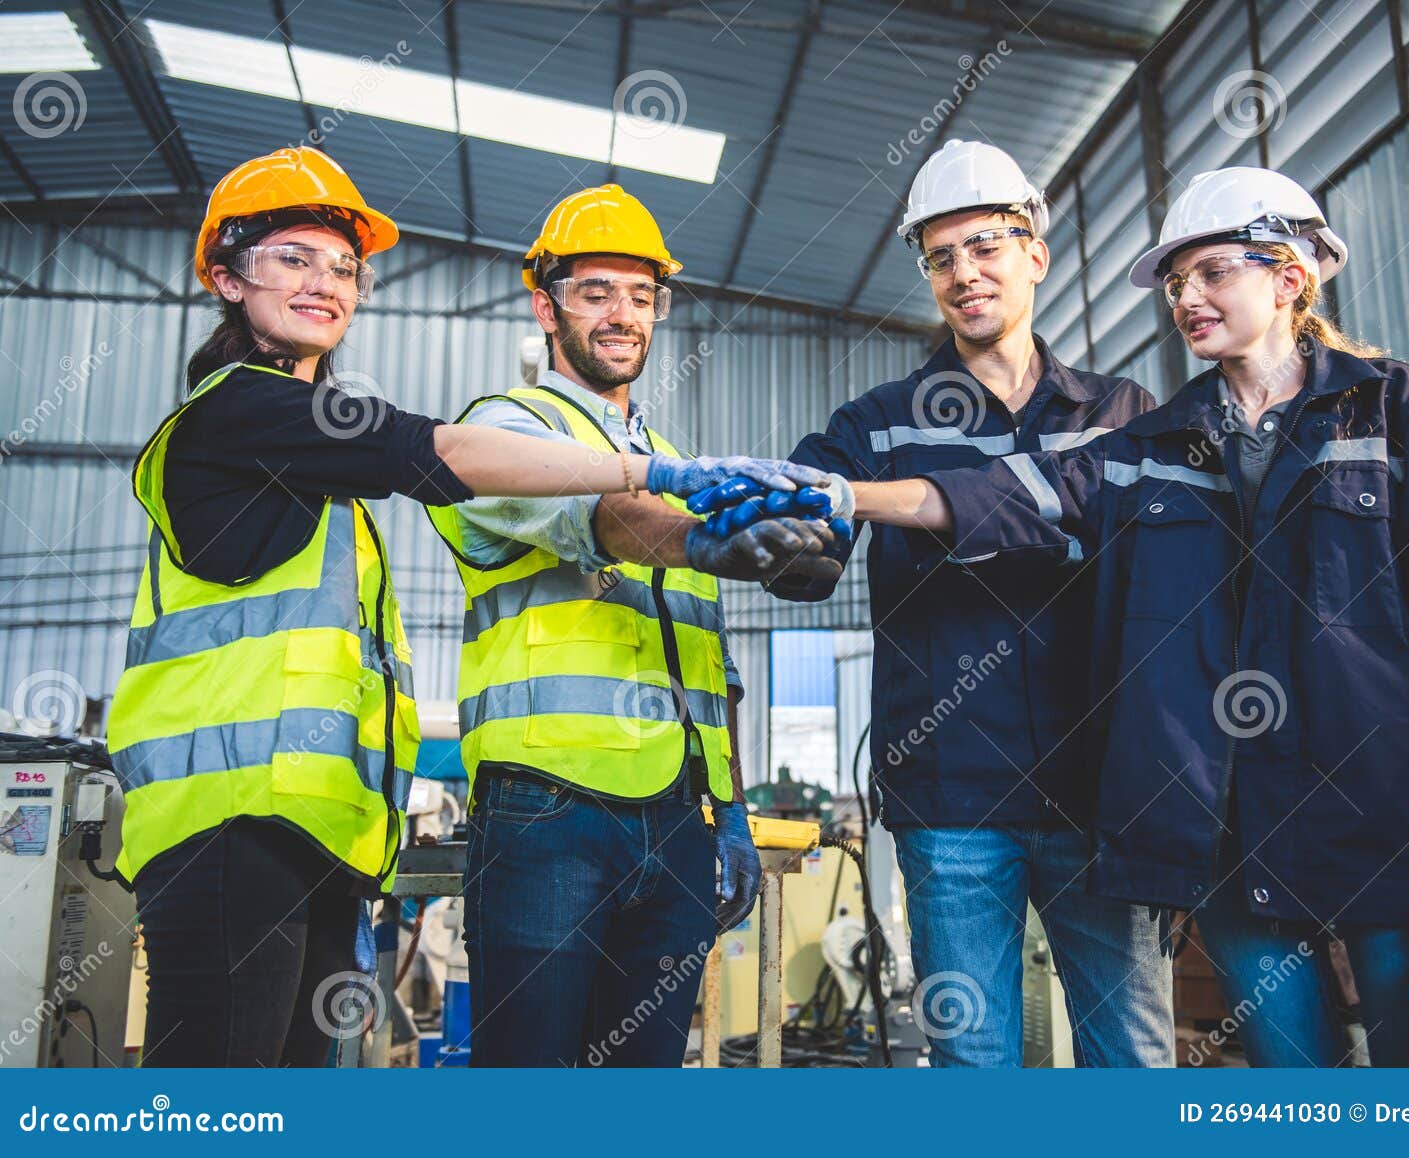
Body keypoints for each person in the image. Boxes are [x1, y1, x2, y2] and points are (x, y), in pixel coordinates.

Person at [104, 149, 828, 1068]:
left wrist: (722, 803)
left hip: (318, 834)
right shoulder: (238, 412)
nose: (325, 283)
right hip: (233, 825)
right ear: (224, 275)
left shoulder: (308, 455)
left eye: (342, 266)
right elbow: (427, 452)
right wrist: (659, 480)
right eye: (293, 258)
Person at [825, 167, 1409, 1065]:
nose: (1186, 299)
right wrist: (840, 494)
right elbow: (1007, 497)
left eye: (1211, 273)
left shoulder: (1392, 407)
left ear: (1289, 276)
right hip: (1235, 850)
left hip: (1390, 828)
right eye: (1176, 283)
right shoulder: (1153, 444)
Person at [766, 140, 1171, 1067]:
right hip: (949, 799)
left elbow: (1155, 573)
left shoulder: (1118, 410)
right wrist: (767, 526)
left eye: (985, 246)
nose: (964, 274)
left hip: (1100, 790)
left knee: (1133, 1061)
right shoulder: (876, 423)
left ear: (1036, 252)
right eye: (941, 257)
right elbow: (806, 548)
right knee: (972, 1065)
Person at [425, 184, 838, 1067]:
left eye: (641, 296)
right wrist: (705, 539)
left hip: (677, 816)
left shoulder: (681, 462)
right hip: (548, 809)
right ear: (547, 306)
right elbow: (607, 516)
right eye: (596, 292)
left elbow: (707, 662)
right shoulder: (504, 427)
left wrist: (726, 809)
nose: (623, 315)